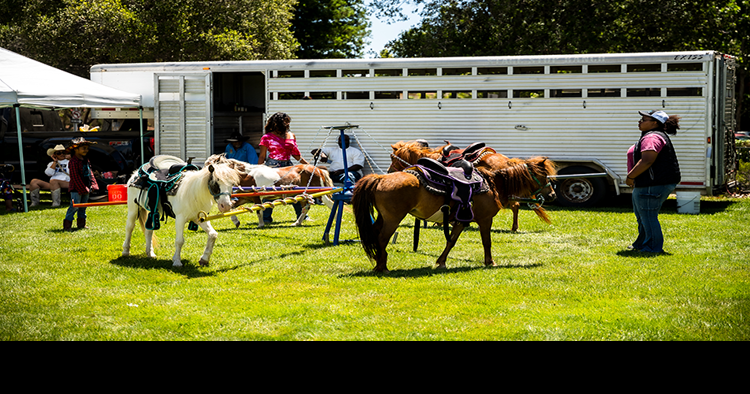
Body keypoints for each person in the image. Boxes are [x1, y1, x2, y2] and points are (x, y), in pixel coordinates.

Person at [625, 110, 681, 253]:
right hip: (648, 183)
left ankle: (652, 247)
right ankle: (641, 243)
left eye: (644, 119)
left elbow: (648, 160)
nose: (640, 122)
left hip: (653, 183)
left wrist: (631, 176)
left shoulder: (652, 137)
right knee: (643, 216)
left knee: (648, 216)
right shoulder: (651, 135)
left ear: (655, 123)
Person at [258, 112, 309, 223]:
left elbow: (296, 154)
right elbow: (262, 155)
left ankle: (302, 216)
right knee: (270, 192)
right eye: (286, 122)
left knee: (295, 190)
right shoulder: (267, 137)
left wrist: (307, 166)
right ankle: (266, 218)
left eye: (288, 122)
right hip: (272, 166)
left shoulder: (291, 135)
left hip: (288, 166)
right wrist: (258, 170)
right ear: (277, 123)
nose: (288, 124)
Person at [64, 137, 99, 231]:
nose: (86, 150)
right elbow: (75, 177)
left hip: (86, 187)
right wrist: (82, 188)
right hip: (76, 189)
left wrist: (93, 184)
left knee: (83, 206)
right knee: (74, 207)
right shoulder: (73, 161)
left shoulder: (85, 160)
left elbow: (90, 172)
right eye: (83, 148)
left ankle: (81, 224)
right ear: (75, 149)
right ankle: (67, 225)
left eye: (87, 148)